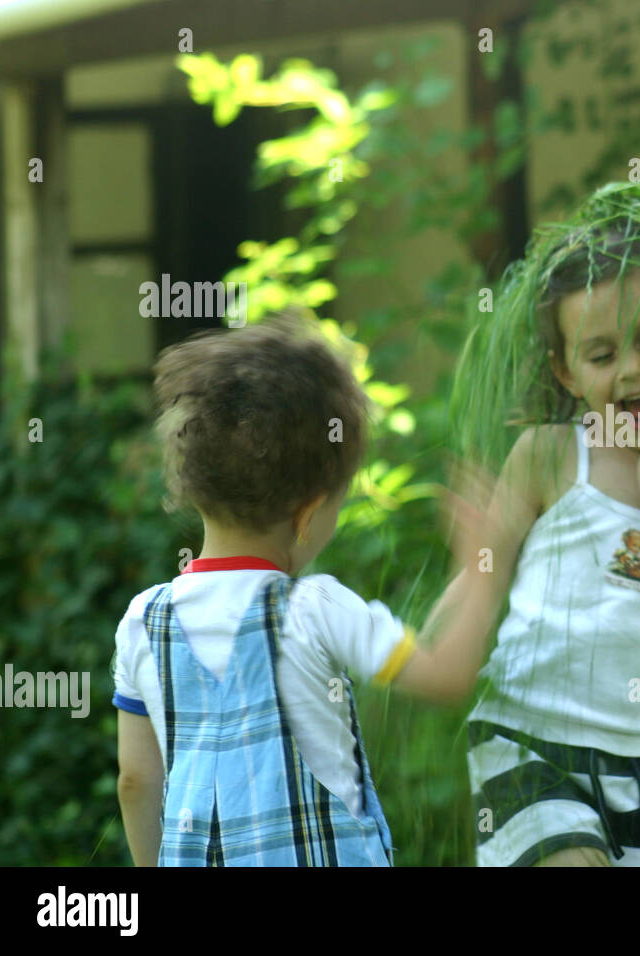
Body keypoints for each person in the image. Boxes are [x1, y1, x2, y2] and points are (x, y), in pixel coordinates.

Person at [436, 181, 640, 866]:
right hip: (529, 743)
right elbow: (479, 584)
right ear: (567, 373)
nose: (633, 369)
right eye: (602, 354)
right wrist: (409, 647)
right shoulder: (552, 456)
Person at [113, 310, 498, 866]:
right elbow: (446, 674)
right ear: (308, 514)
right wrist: (487, 573)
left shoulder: (143, 622)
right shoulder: (314, 608)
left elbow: (135, 781)